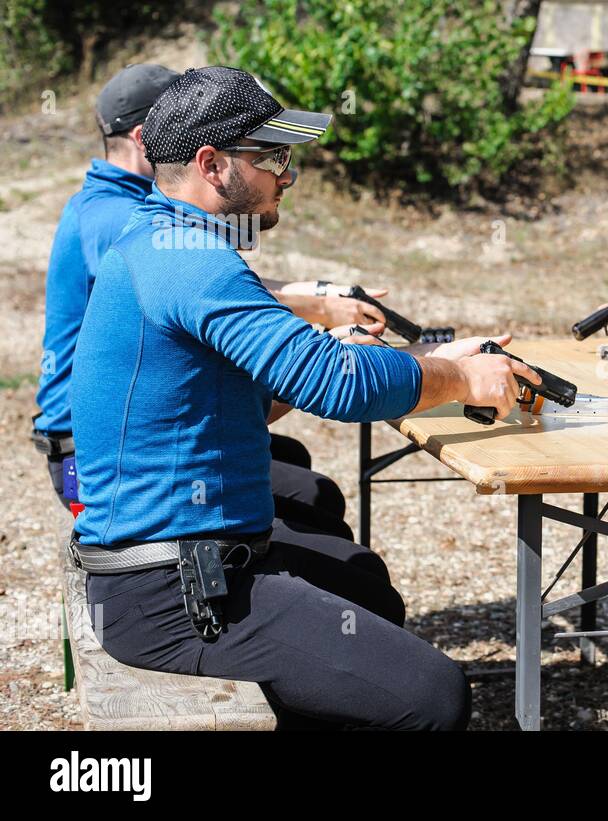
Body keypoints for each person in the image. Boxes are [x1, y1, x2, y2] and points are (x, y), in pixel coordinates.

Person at [72, 66, 539, 730]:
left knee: (361, 581)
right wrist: (459, 381)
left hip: (191, 564)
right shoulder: (190, 259)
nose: (288, 175)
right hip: (175, 595)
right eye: (273, 157)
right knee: (435, 694)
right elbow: (334, 382)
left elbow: (242, 400)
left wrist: (424, 362)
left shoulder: (167, 238)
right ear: (212, 164)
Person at [32, 63, 382, 541]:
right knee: (310, 496)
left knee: (293, 464)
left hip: (128, 434)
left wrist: (316, 296)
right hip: (99, 454)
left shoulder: (129, 205)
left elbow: (231, 287)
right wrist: (320, 310)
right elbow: (208, 290)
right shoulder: (120, 217)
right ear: (146, 133)